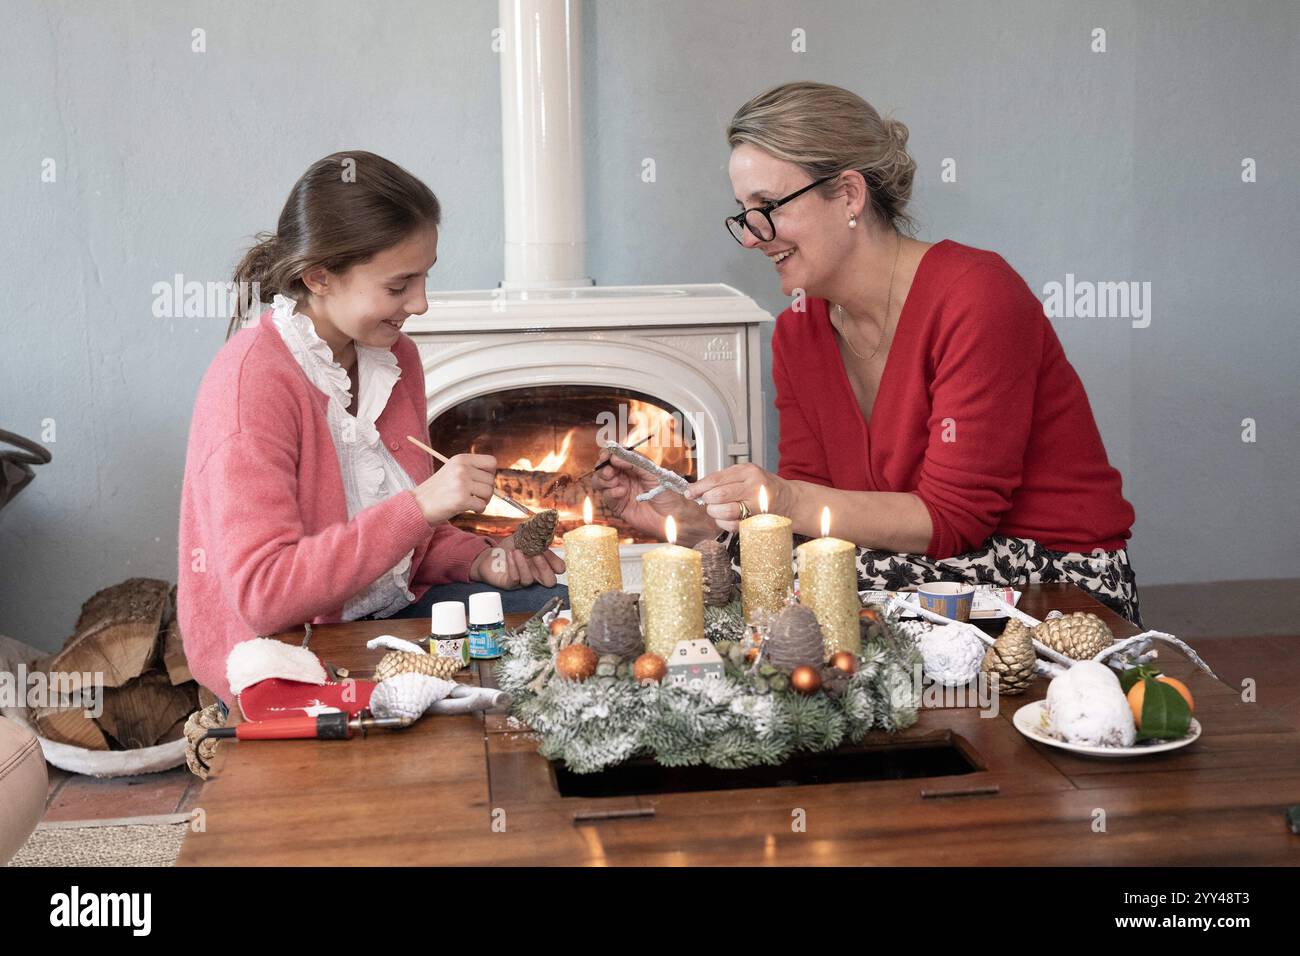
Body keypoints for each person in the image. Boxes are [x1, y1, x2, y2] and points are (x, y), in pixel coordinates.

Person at [594, 82, 1141, 625]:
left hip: (1056, 583)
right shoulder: (799, 334)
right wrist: (699, 526)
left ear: (850, 195)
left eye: (767, 207)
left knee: (772, 599)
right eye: (743, 212)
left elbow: (955, 520)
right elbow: (816, 518)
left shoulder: (978, 296)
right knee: (763, 597)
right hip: (912, 569)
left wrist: (780, 500)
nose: (751, 238)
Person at [177, 151, 565, 707]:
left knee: (565, 611)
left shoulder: (392, 356)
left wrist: (480, 561)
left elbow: (399, 547)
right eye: (399, 284)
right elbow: (265, 595)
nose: (421, 303)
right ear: (320, 277)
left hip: (388, 612)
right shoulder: (252, 385)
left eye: (425, 276)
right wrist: (421, 506)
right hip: (286, 653)